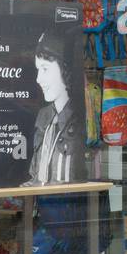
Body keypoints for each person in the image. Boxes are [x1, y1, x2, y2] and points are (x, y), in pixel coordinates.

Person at [25, 30, 84, 185]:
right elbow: (36, 177)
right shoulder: (43, 117)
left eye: (45, 69)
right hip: (41, 206)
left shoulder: (80, 118)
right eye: (38, 70)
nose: (38, 79)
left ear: (65, 70)